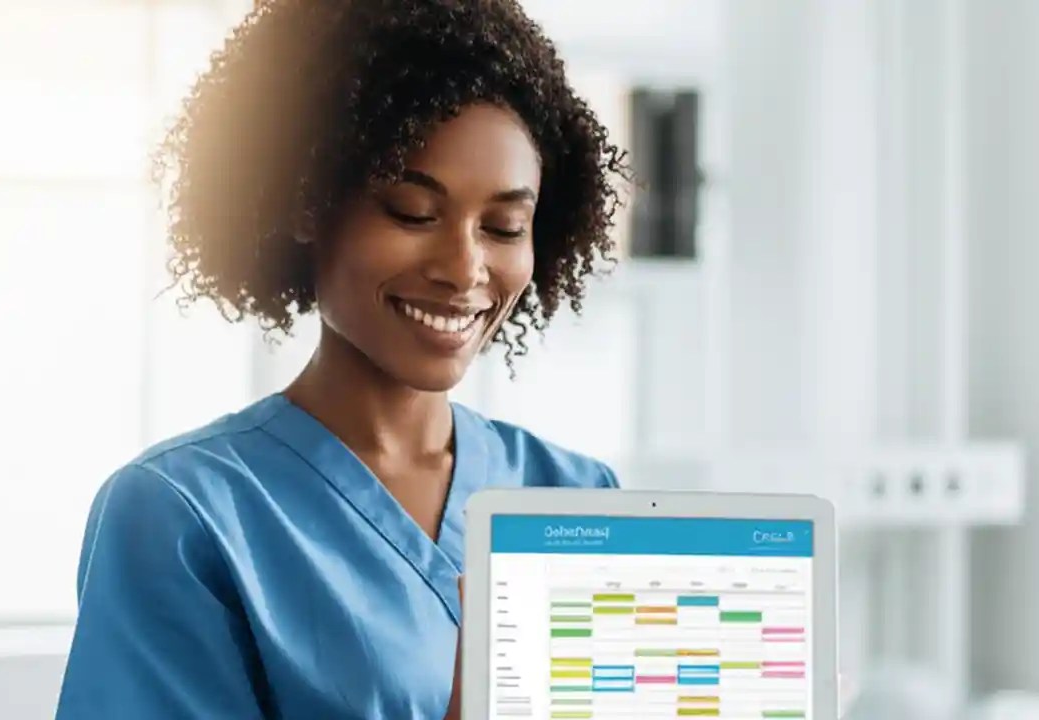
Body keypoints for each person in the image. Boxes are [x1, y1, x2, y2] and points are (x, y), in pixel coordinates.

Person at [54, 0, 629, 717]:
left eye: (505, 226)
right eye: (413, 213)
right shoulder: (182, 516)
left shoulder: (575, 494)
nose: (464, 266)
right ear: (306, 204)